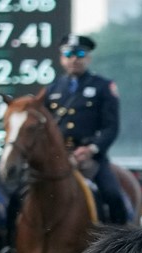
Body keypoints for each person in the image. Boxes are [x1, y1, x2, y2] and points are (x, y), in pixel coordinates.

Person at [43, 34, 130, 225]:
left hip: (92, 159)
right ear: (62, 58)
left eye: (80, 53)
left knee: (112, 195)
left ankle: (120, 247)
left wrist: (91, 149)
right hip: (59, 158)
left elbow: (111, 127)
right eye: (69, 53)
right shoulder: (52, 89)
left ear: (88, 58)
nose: (74, 58)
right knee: (21, 194)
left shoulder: (103, 87)